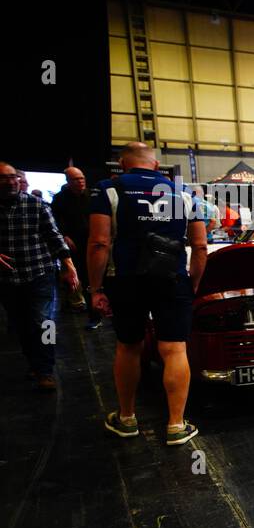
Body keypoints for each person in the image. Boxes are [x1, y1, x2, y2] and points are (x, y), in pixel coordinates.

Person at [87, 142, 207, 445]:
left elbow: (99, 243)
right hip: (172, 280)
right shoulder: (183, 193)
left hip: (126, 280)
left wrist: (95, 288)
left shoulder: (108, 190)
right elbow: (201, 246)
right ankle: (176, 426)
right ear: (156, 166)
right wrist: (192, 282)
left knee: (129, 346)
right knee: (174, 349)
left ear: (123, 165)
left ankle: (126, 419)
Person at [0, 161, 80, 390]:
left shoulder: (37, 205)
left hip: (40, 274)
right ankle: (34, 363)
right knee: (21, 325)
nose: (10, 182)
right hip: (7, 280)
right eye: (4, 178)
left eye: (13, 177)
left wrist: (67, 264)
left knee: (45, 322)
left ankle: (46, 368)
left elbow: (54, 237)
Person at [51, 167, 101, 328]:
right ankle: (93, 315)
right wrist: (64, 235)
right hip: (75, 245)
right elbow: (55, 221)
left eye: (82, 178)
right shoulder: (60, 199)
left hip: (95, 242)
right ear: (68, 182)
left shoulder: (93, 196)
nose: (80, 182)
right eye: (76, 179)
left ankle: (101, 311)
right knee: (84, 279)